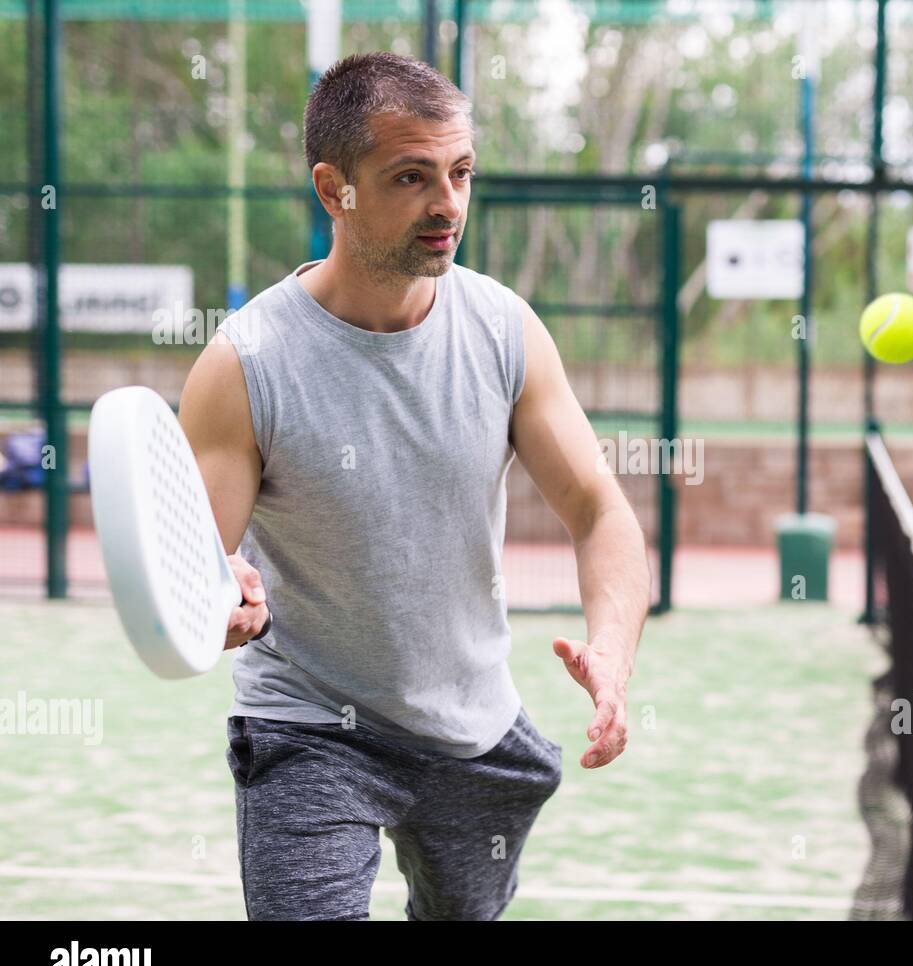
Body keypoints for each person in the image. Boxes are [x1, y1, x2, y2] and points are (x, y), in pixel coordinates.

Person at [179, 52, 650, 920]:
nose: (448, 205)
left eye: (461, 172)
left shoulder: (505, 330)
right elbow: (203, 573)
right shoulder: (245, 364)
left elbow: (598, 508)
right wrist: (224, 600)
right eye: (411, 177)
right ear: (335, 189)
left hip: (472, 729)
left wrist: (614, 651)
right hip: (311, 725)